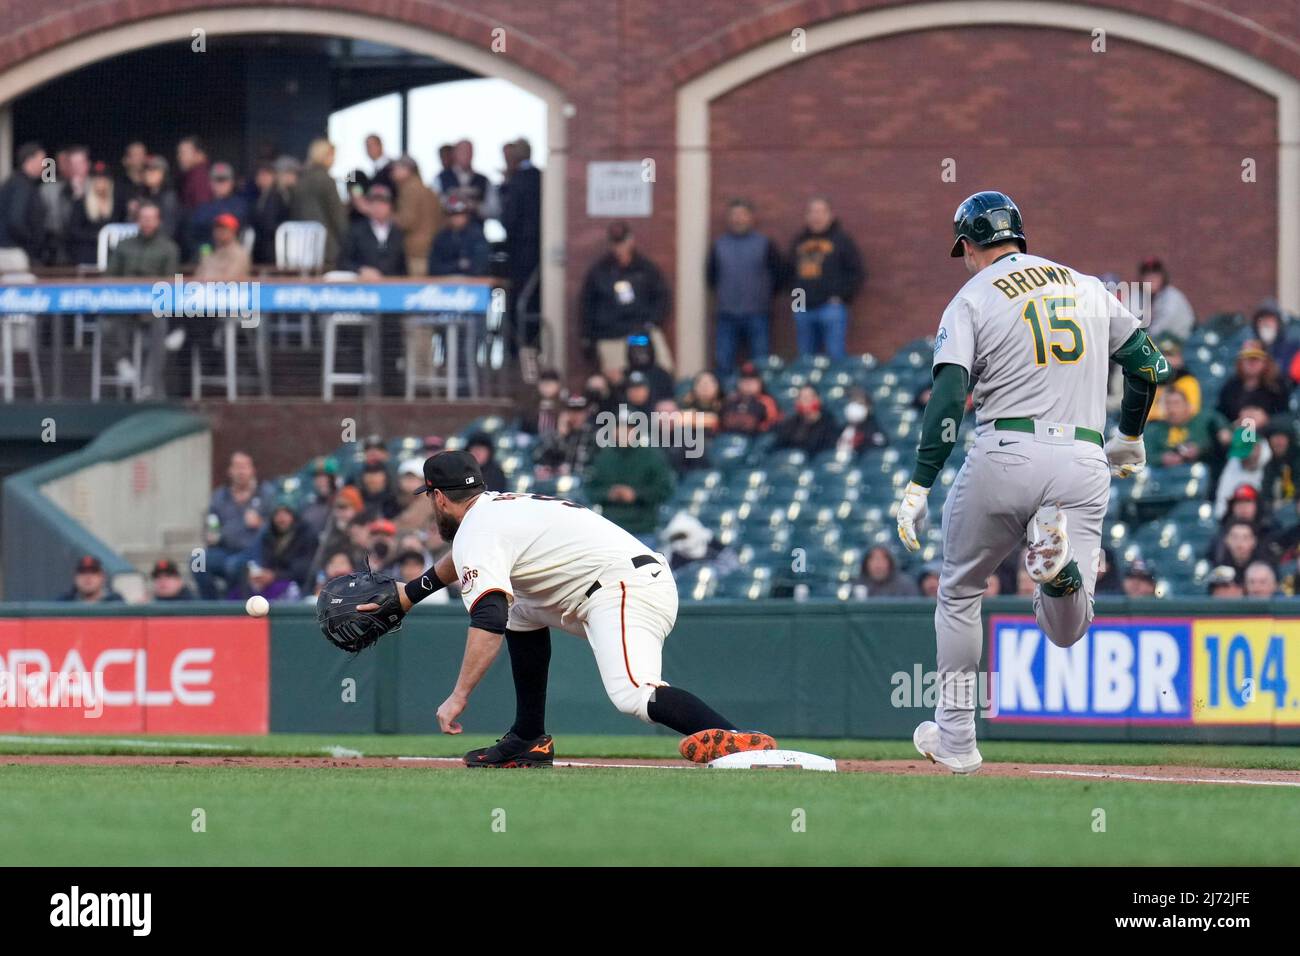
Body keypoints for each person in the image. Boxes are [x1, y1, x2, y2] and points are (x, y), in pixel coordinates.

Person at [895, 190, 1168, 774]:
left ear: (969, 245)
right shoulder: (1088, 285)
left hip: (1007, 449)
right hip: (1083, 457)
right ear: (1019, 236)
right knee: (1069, 629)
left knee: (962, 588)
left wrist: (920, 482)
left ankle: (959, 741)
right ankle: (1059, 573)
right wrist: (1132, 434)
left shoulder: (971, 297)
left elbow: (948, 396)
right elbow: (1148, 363)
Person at [355, 450, 777, 766]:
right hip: (607, 586)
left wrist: (458, 695)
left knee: (633, 693)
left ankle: (739, 742)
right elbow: (463, 563)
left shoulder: (478, 530)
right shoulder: (495, 510)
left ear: (440, 499)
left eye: (430, 498)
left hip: (624, 587)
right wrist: (409, 595)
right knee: (521, 611)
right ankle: (528, 738)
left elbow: (487, 618)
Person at [579, 222, 673, 381]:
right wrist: (588, 337)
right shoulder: (599, 271)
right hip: (612, 335)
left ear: (631, 241)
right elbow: (587, 306)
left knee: (663, 370)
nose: (619, 247)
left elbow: (662, 296)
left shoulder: (645, 268)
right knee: (617, 379)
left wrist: (652, 322)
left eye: (622, 242)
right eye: (615, 243)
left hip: (641, 333)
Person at [104, 202, 181, 393]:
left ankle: (149, 383)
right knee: (106, 322)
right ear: (137, 220)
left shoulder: (168, 248)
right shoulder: (124, 246)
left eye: (151, 219)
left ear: (158, 222)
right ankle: (122, 362)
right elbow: (110, 277)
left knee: (160, 326)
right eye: (143, 219)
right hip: (124, 303)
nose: (147, 223)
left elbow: (170, 282)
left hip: (153, 306)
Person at [707, 199, 785, 376]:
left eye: (742, 215)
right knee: (723, 361)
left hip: (758, 314)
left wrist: (764, 297)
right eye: (734, 215)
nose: (738, 219)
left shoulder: (765, 244)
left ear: (751, 218)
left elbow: (780, 276)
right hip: (726, 314)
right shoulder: (719, 245)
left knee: (761, 363)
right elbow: (711, 277)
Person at [788, 197, 864, 360]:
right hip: (802, 308)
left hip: (831, 308)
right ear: (806, 216)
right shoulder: (798, 242)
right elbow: (789, 274)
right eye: (812, 212)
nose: (816, 216)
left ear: (830, 215)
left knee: (835, 355)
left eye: (821, 212)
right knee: (805, 357)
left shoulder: (842, 241)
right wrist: (797, 303)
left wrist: (841, 297)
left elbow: (856, 273)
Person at [196, 451, 276, 599]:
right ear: (230, 471)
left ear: (252, 470)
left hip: (254, 554)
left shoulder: (265, 494)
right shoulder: (220, 496)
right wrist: (210, 535)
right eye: (237, 467)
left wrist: (260, 523)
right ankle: (211, 604)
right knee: (197, 560)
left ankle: (231, 604)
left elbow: (280, 526)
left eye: (244, 467)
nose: (241, 471)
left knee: (232, 566)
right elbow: (210, 524)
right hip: (223, 550)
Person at [585, 413, 676, 544]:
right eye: (619, 427)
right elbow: (589, 489)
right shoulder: (603, 456)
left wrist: (636, 494)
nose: (624, 432)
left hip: (643, 528)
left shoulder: (652, 456)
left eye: (629, 428)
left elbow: (665, 490)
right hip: (610, 527)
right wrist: (608, 493)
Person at [499, 138, 542, 352]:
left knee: (519, 299)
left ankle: (517, 350)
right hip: (538, 249)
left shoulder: (518, 181)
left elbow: (509, 218)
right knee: (534, 298)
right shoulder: (540, 177)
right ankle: (533, 346)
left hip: (520, 251)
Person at [290, 138, 348, 269]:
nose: (334, 160)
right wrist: (347, 239)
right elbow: (337, 215)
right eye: (332, 155)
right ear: (324, 156)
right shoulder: (326, 180)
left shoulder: (301, 179)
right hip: (325, 246)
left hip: (301, 243)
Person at [247, 502, 319, 600]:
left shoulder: (306, 534)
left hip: (299, 583)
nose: (281, 519)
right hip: (271, 582)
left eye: (286, 514)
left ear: (293, 515)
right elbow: (264, 561)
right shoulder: (269, 534)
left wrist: (275, 575)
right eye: (277, 514)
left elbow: (304, 569)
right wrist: (260, 574)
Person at [64, 161, 125, 266]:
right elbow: (73, 231)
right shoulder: (81, 203)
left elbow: (122, 226)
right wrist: (98, 236)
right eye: (96, 179)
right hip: (87, 254)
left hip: (112, 254)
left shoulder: (117, 203)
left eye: (104, 179)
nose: (100, 182)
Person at [338, 183, 405, 277]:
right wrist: (360, 270)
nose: (378, 207)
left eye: (383, 203)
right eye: (373, 203)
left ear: (390, 206)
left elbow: (403, 267)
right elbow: (343, 262)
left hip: (391, 286)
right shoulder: (356, 231)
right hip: (364, 288)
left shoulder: (397, 232)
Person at [0, 142, 48, 272]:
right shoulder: (20, 184)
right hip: (12, 253)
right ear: (29, 160)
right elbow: (15, 220)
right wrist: (31, 242)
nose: (44, 165)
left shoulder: (20, 183)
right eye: (42, 160)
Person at [186, 162, 249, 260]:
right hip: (207, 254)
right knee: (179, 274)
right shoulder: (203, 207)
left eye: (224, 180)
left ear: (232, 182)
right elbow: (195, 235)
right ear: (210, 183)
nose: (221, 184)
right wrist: (205, 250)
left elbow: (235, 227)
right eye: (217, 180)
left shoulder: (240, 205)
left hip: (232, 255)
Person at [389, 156, 441, 276]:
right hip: (431, 248)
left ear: (407, 170)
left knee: (417, 288)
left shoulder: (409, 189)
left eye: (395, 169)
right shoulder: (427, 189)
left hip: (415, 251)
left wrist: (388, 216)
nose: (392, 173)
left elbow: (407, 221)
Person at [1216, 340, 1290, 421]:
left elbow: (1286, 419)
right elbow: (1219, 417)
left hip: (1267, 431)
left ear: (1265, 362)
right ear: (1240, 362)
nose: (1251, 362)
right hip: (1236, 431)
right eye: (1247, 358)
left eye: (1256, 358)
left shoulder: (1276, 388)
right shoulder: (1230, 388)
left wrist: (1266, 419)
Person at [1143, 388, 1215, 466]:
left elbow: (1212, 446)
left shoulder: (1200, 423)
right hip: (1161, 473)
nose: (1172, 409)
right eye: (1168, 403)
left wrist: (1198, 450)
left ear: (1187, 406)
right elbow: (1144, 455)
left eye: (1176, 403)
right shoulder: (1153, 428)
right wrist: (1161, 458)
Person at [1135, 256, 1195, 341]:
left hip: (1182, 343)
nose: (1151, 279)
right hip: (1161, 343)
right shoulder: (1141, 297)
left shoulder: (1172, 297)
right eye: (1147, 275)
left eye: (1155, 275)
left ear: (1163, 277)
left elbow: (1162, 327)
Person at [772, 384, 840, 457]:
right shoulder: (791, 423)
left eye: (808, 398)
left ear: (817, 399)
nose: (805, 401)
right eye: (802, 398)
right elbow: (779, 444)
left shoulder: (829, 424)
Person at [427, 196, 489, 276]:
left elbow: (480, 266)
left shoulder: (476, 235)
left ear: (467, 215)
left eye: (460, 214)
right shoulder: (442, 237)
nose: (456, 219)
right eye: (453, 215)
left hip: (473, 282)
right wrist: (457, 265)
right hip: (446, 282)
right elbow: (434, 267)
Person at [251, 157, 295, 265]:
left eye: (266, 175)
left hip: (273, 248)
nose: (263, 178)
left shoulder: (275, 196)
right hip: (265, 248)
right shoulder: (260, 196)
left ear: (274, 176)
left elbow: (269, 225)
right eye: (260, 175)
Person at [720, 362, 780, 434]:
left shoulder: (767, 401)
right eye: (744, 380)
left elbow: (772, 423)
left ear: (760, 383)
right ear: (738, 383)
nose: (748, 384)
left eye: (752, 380)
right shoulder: (731, 400)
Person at [134, 154, 181, 242]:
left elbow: (169, 230)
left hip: (161, 244)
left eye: (153, 170)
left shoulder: (169, 198)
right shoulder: (142, 195)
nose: (148, 173)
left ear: (163, 173)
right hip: (140, 243)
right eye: (146, 170)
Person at [194, 213, 252, 279]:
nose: (219, 232)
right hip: (205, 288)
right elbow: (198, 276)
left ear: (233, 231)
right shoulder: (211, 252)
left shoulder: (240, 254)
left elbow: (231, 279)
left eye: (224, 229)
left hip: (228, 288)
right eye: (217, 228)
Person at [836, 387, 888, 454]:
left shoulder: (874, 430)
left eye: (859, 403)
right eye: (852, 401)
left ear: (868, 407)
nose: (854, 406)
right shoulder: (841, 429)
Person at [58, 554, 125, 603]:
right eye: (82, 572)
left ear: (102, 577)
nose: (88, 577)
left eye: (93, 572)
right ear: (75, 578)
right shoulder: (65, 602)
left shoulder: (115, 602)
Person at [175, 136, 213, 210]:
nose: (179, 157)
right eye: (179, 153)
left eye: (183, 153)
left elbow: (202, 210)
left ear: (198, 154)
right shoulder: (190, 175)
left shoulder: (201, 177)